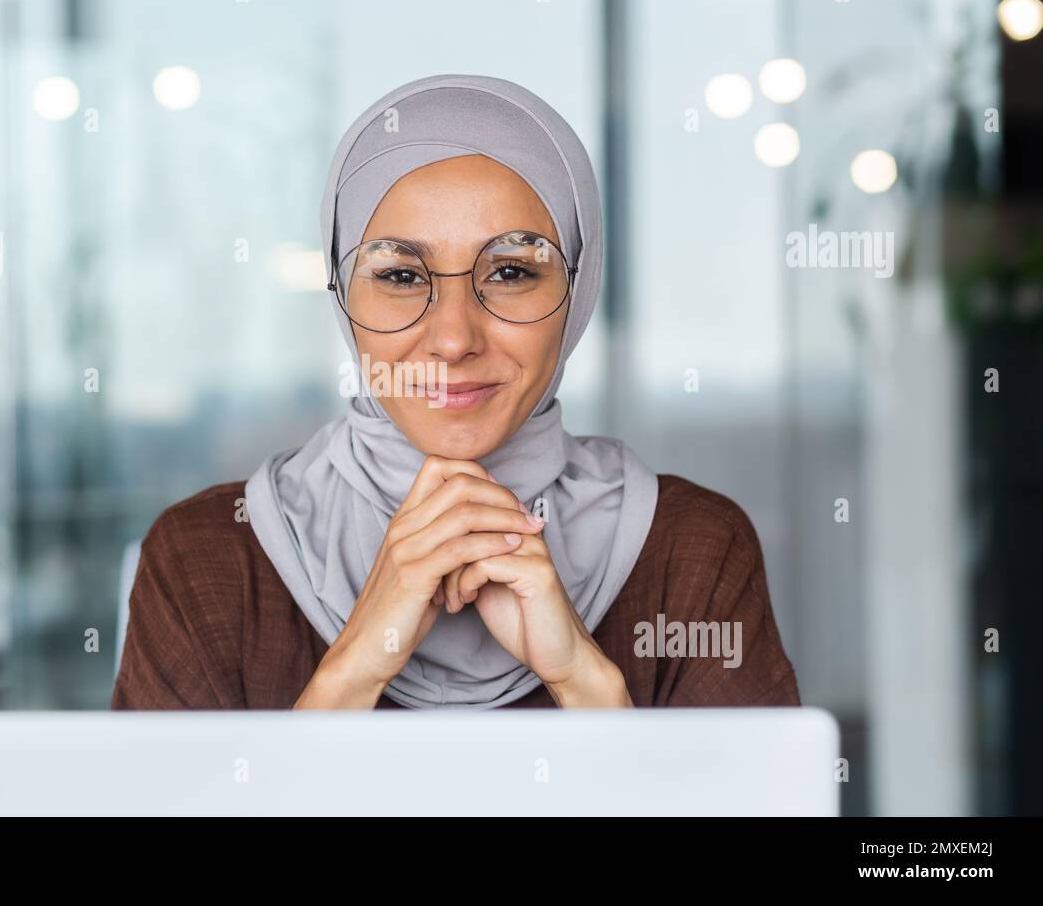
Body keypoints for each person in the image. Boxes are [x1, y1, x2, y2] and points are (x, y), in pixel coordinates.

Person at [112, 74, 799, 711]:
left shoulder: (690, 550)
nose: (452, 339)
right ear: (342, 294)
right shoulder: (207, 561)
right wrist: (351, 671)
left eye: (510, 272)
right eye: (402, 277)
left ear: (578, 292)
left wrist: (586, 682)